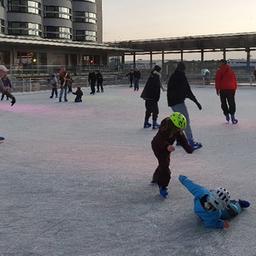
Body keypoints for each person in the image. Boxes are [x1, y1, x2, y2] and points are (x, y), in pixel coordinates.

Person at [179, 175, 250, 229]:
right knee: (232, 211)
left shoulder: (202, 192)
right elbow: (212, 224)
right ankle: (239, 204)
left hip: (202, 210)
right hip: (220, 211)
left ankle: (234, 203)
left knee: (229, 208)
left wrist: (183, 179)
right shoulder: (215, 214)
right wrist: (222, 224)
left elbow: (191, 186)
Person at [151, 112, 195, 198]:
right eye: (179, 128)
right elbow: (159, 140)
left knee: (163, 163)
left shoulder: (177, 131)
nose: (180, 130)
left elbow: (182, 139)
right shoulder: (165, 128)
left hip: (167, 149)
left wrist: (188, 148)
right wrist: (167, 146)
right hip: (157, 147)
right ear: (173, 125)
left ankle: (156, 178)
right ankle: (163, 186)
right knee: (165, 166)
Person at [167, 62, 202, 148]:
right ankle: (190, 142)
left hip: (172, 102)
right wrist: (196, 102)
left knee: (179, 122)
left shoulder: (173, 75)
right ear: (183, 69)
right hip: (178, 102)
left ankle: (180, 139)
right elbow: (188, 91)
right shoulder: (181, 76)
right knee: (185, 121)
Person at [140, 65, 164, 129]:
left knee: (148, 110)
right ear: (159, 70)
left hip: (147, 96)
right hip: (152, 97)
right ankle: (154, 124)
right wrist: (156, 98)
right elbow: (156, 88)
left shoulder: (152, 75)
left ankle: (146, 123)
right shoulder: (156, 76)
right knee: (155, 111)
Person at [215, 59, 238, 124]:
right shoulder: (231, 70)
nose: (219, 64)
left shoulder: (219, 71)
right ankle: (233, 116)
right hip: (231, 89)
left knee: (223, 103)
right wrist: (235, 88)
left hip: (223, 90)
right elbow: (234, 80)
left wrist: (217, 89)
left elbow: (217, 81)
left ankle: (227, 115)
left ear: (222, 63)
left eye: (220, 63)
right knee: (231, 103)